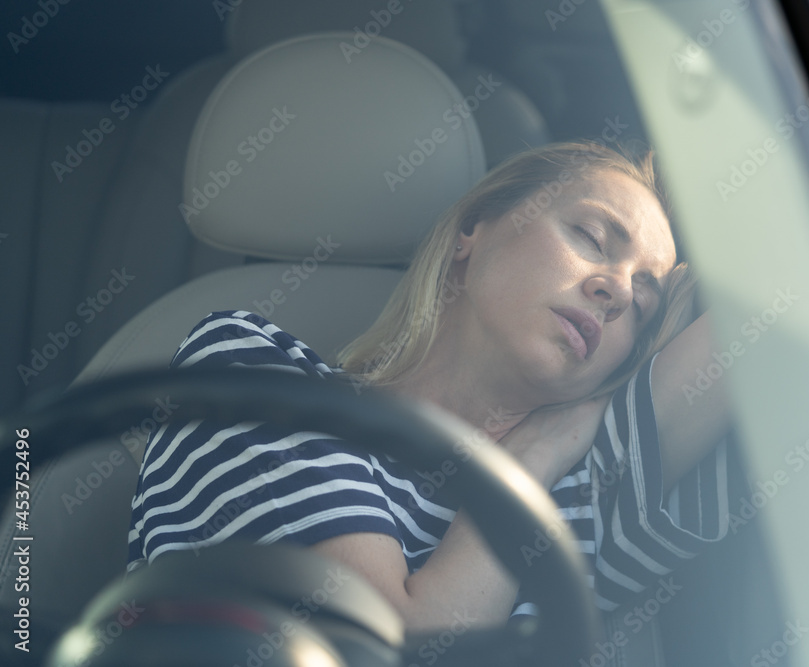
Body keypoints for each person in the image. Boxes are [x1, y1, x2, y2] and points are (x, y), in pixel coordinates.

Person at [126, 141, 732, 633]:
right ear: (473, 230)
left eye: (643, 305)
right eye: (593, 238)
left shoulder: (588, 485)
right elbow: (395, 645)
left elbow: (794, 296)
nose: (618, 292)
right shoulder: (250, 369)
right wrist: (527, 461)